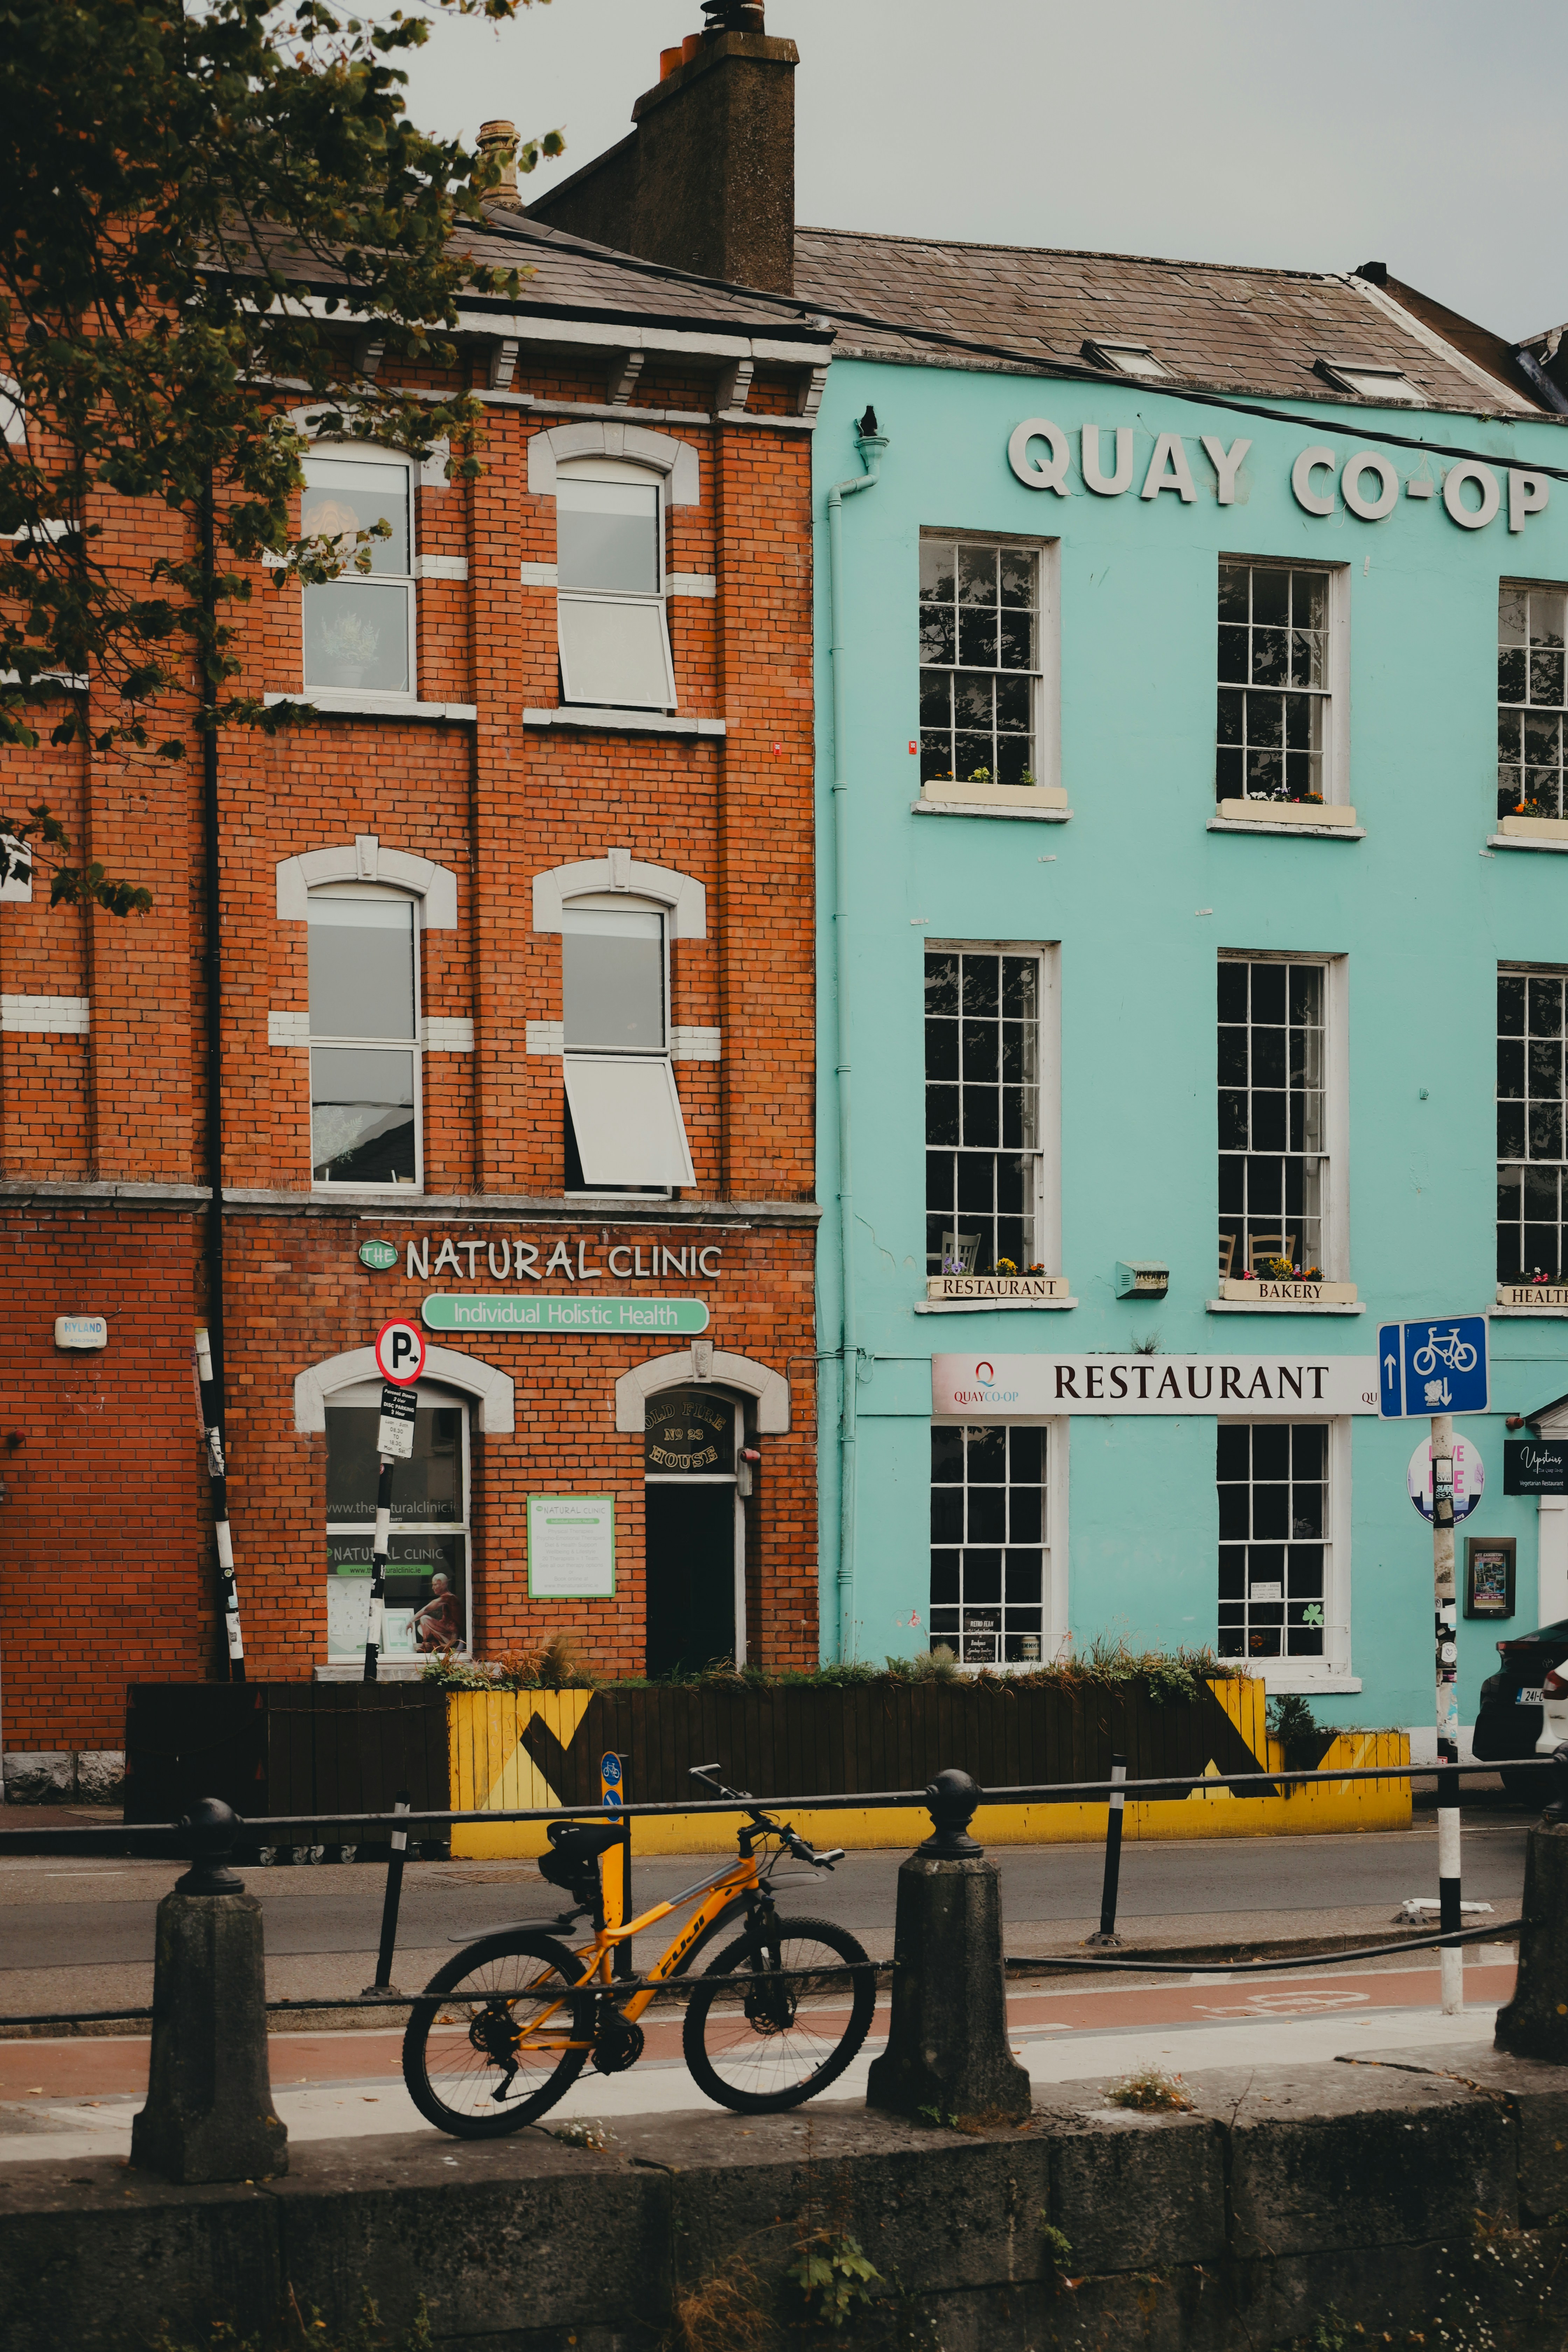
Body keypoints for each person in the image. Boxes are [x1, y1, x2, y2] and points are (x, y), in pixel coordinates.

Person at [414, 1571, 463, 1654]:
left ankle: (426, 1646)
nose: (433, 1588)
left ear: (444, 1585)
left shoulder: (450, 1598)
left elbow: (426, 1610)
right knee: (421, 1628)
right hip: (447, 1635)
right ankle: (433, 1647)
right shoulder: (446, 1600)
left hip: (452, 1638)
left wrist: (411, 1621)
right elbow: (445, 1621)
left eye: (435, 1585)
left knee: (424, 1619)